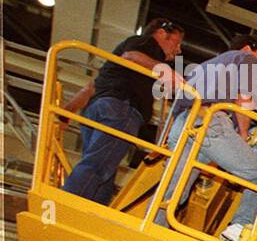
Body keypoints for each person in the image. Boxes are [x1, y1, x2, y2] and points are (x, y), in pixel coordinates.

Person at [156, 35, 257, 241]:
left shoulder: (209, 65)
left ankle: (151, 228)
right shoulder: (245, 59)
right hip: (211, 121)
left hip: (186, 122)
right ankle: (236, 232)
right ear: (247, 48)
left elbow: (255, 99)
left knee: (174, 190)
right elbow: (244, 97)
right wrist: (243, 135)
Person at [61, 19, 186, 204]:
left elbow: (91, 87)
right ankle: (66, 205)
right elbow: (131, 56)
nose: (178, 50)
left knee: (102, 168)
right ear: (161, 33)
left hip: (96, 109)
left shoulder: (117, 67)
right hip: (122, 109)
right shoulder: (146, 44)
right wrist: (168, 73)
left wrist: (65, 112)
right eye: (177, 43)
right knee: (99, 166)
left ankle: (93, 212)